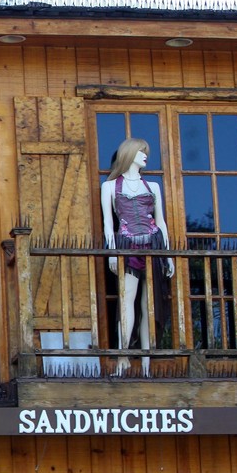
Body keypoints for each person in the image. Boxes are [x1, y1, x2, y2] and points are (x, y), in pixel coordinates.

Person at [100, 138, 174, 375]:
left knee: (147, 305)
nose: (145, 156)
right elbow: (107, 225)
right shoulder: (110, 187)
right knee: (127, 302)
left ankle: (146, 364)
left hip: (153, 246)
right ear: (129, 153)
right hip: (127, 246)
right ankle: (123, 359)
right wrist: (112, 253)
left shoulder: (153, 186)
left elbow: (161, 222)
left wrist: (169, 255)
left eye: (146, 152)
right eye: (142, 151)